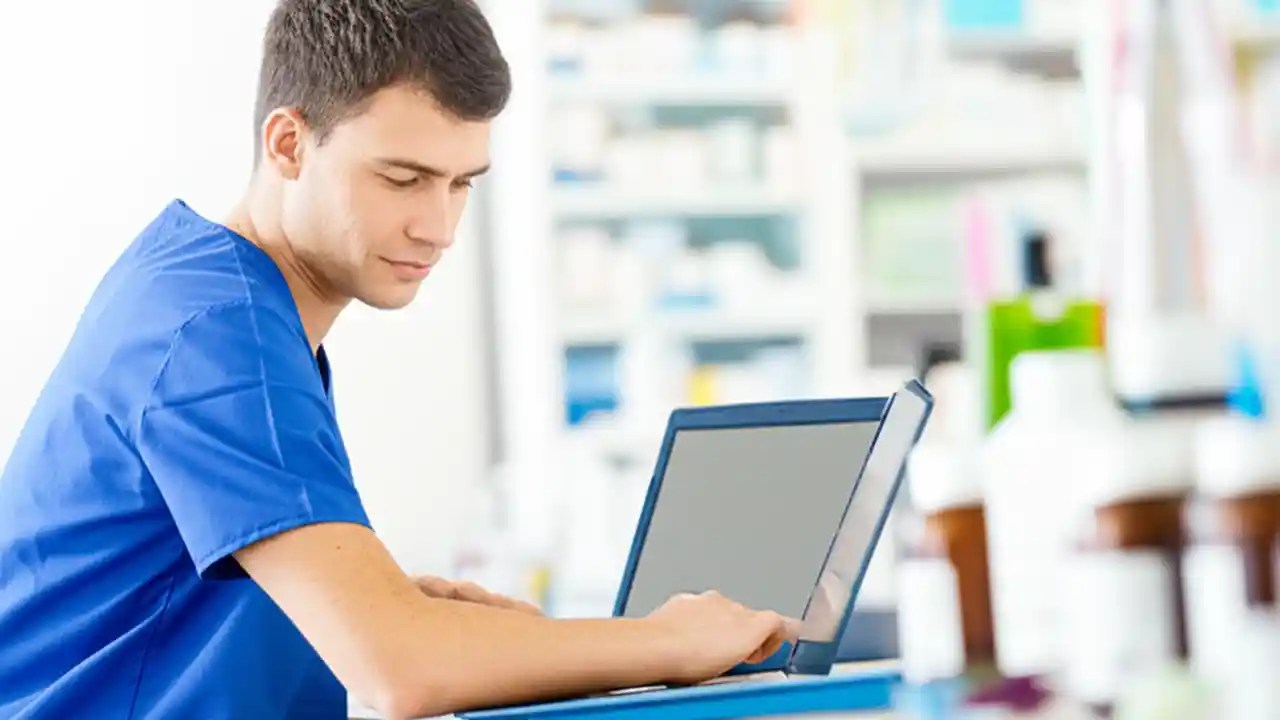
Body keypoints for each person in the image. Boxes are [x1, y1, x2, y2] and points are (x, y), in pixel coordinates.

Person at [0, 1, 798, 718]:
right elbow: (398, 674)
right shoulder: (219, 331)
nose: (438, 227)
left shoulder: (198, 286)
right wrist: (667, 642)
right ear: (288, 143)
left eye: (461, 185)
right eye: (404, 179)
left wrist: (417, 618)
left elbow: (172, 602)